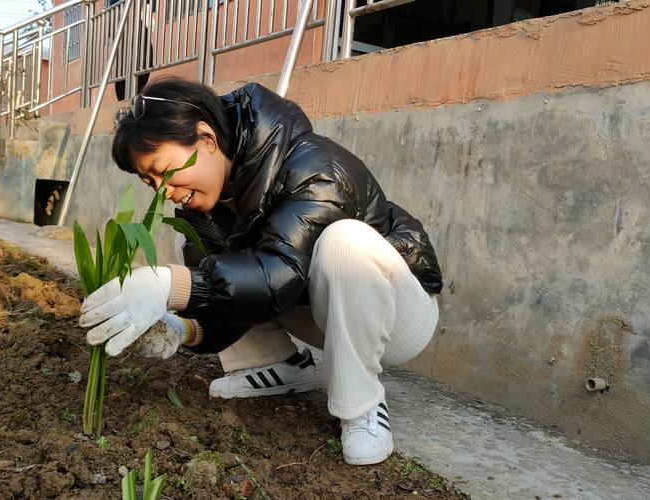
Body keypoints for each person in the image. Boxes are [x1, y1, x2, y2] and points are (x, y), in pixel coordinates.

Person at [79, 77, 443, 465]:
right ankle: (278, 364)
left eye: (163, 172)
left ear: (205, 139)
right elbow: (233, 290)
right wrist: (182, 329)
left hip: (399, 314)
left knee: (345, 242)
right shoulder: (205, 205)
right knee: (223, 261)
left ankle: (362, 405)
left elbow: (278, 274)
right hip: (316, 309)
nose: (163, 191)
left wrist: (170, 284)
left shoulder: (316, 169)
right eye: (151, 182)